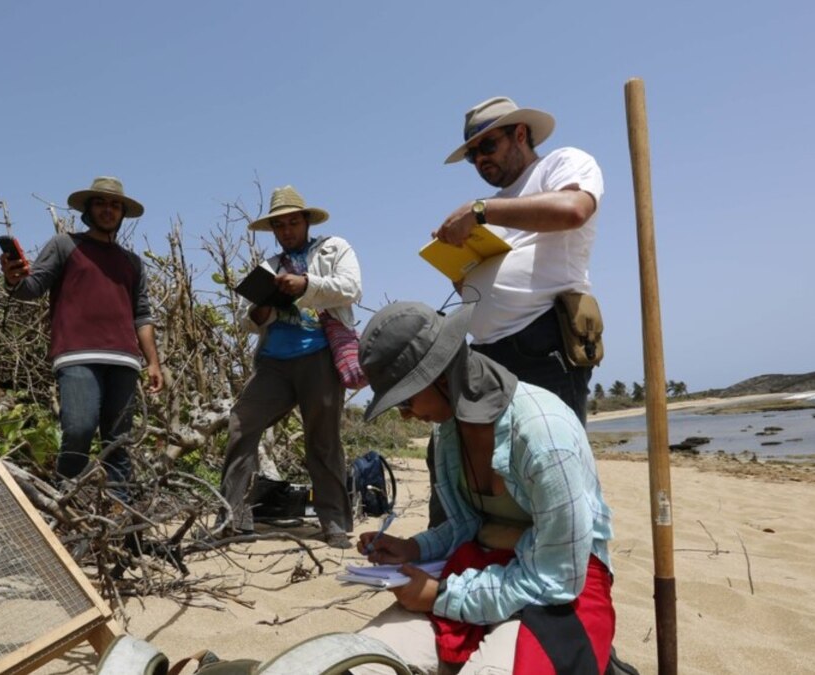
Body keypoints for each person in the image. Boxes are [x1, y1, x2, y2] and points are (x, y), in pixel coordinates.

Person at [352, 301, 616, 675]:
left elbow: (559, 578)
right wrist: (413, 548)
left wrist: (441, 597)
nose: (406, 414)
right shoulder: (447, 432)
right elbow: (469, 524)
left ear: (442, 374)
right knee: (365, 662)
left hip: (557, 589)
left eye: (406, 400)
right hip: (479, 571)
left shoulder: (543, 434)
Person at [437, 96, 603, 423]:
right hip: (486, 354)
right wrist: (461, 274)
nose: (481, 159)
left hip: (542, 344)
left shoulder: (561, 163)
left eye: (487, 146)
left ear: (521, 135)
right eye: (472, 155)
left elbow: (573, 210)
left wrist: (479, 211)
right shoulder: (493, 206)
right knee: (497, 469)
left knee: (552, 465)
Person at [217, 185, 361, 548]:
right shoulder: (268, 267)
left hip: (319, 357)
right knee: (241, 424)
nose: (286, 231)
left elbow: (351, 288)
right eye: (279, 226)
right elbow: (251, 321)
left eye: (292, 223)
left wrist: (306, 284)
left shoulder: (334, 248)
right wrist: (261, 310)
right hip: (273, 364)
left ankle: (333, 522)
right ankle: (232, 519)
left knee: (323, 439)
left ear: (306, 222)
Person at [0, 176, 163, 497]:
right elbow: (32, 288)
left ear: (122, 213)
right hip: (76, 354)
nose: (108, 210)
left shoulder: (132, 262)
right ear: (88, 210)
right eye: (101, 203)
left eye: (115, 204)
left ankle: (121, 518)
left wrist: (154, 362)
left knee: (118, 442)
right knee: (79, 428)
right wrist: (12, 278)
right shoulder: (65, 245)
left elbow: (142, 314)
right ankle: (65, 498)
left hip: (124, 359)